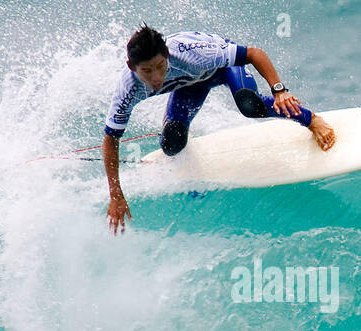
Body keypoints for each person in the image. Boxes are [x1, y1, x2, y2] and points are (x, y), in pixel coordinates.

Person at [102, 24, 336, 233]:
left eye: (160, 66)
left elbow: (254, 54)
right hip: (191, 86)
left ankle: (311, 120)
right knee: (172, 144)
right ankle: (185, 160)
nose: (156, 77)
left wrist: (279, 90)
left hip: (222, 69)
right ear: (131, 66)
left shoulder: (193, 54)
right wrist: (116, 195)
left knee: (249, 104)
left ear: (167, 55)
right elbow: (110, 139)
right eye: (146, 71)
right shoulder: (128, 89)